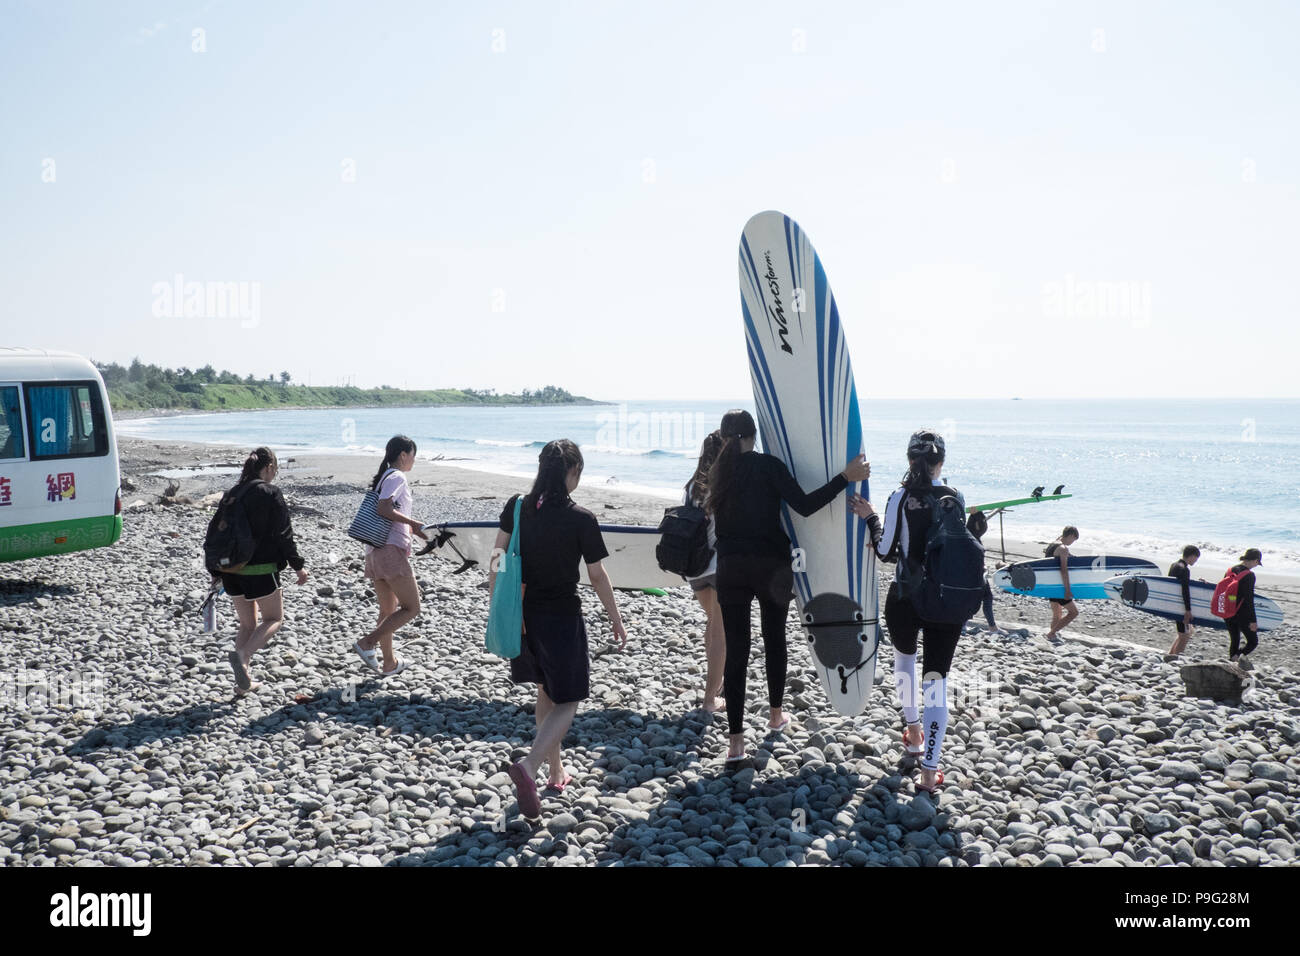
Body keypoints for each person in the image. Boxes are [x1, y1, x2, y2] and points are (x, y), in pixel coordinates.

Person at [708, 409, 869, 766]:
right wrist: (846, 476)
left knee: (737, 651)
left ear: (723, 440)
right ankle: (776, 715)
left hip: (731, 569)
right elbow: (806, 506)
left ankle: (735, 744)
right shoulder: (770, 466)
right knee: (773, 639)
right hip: (771, 567)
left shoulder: (718, 473)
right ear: (753, 436)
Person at [492, 440, 629, 818]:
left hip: (523, 616)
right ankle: (530, 766)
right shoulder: (580, 518)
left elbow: (498, 556)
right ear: (571, 472)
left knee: (546, 691)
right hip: (562, 617)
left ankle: (556, 770)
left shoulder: (518, 507)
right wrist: (615, 618)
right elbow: (597, 575)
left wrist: (499, 600)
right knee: (568, 699)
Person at [851, 429, 967, 794]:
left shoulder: (899, 497)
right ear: (941, 463)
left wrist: (870, 517)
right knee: (937, 682)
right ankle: (930, 774)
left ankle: (914, 734)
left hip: (905, 598)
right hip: (946, 602)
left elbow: (886, 552)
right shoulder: (955, 497)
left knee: (904, 664)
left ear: (909, 460)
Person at [216, 447, 308, 695]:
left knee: (247, 625)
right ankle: (243, 656)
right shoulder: (270, 493)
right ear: (268, 468)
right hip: (260, 568)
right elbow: (283, 535)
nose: (275, 474)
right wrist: (298, 565)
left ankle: (242, 683)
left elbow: (216, 533)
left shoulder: (232, 493)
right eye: (275, 470)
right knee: (273, 618)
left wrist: (215, 572)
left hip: (230, 569)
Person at [353, 436, 426, 677]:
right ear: (404, 455)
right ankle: (367, 643)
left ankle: (389, 663)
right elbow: (383, 508)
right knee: (411, 607)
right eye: (413, 455)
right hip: (390, 551)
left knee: (387, 610)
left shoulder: (384, 477)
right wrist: (413, 524)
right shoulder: (397, 476)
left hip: (374, 551)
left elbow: (383, 508)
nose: (414, 460)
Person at [684, 430, 725, 713]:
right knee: (721, 634)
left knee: (712, 624)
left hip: (694, 567)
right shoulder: (724, 485)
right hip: (719, 565)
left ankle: (715, 682)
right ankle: (711, 699)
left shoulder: (691, 487)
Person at [966, 510, 1002, 634]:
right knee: (986, 597)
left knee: (971, 598)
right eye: (982, 523)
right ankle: (992, 627)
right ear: (976, 525)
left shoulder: (968, 535)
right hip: (974, 574)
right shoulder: (972, 539)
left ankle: (963, 624)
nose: (984, 526)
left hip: (974, 573)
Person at [1226, 548, 1263, 663]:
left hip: (1228, 610)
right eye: (1257, 563)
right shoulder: (1249, 575)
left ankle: (1232, 663)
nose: (1256, 566)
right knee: (1253, 642)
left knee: (1235, 639)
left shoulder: (1230, 570)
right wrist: (1253, 621)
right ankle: (1235, 657)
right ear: (1255, 560)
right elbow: (1248, 599)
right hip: (1242, 614)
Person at [1044, 526, 1080, 641]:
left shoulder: (1053, 544)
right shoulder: (1063, 549)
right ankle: (1052, 633)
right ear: (1070, 536)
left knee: (1057, 613)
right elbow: (1063, 570)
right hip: (1059, 586)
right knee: (1073, 612)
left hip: (1050, 584)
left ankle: (1052, 635)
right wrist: (1068, 590)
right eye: (1073, 540)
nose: (1072, 543)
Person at [1166, 545, 1201, 657]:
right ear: (1192, 556)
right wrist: (1188, 610)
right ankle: (1174, 659)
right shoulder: (1184, 570)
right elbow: (1185, 590)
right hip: (1180, 606)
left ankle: (1171, 655)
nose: (1196, 561)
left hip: (1173, 603)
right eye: (1196, 558)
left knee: (1186, 632)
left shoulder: (1174, 565)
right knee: (1184, 636)